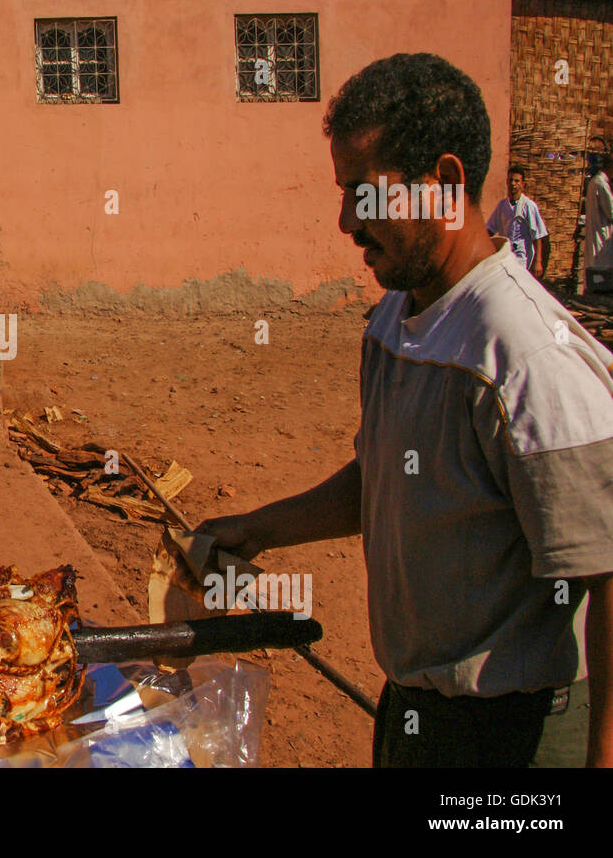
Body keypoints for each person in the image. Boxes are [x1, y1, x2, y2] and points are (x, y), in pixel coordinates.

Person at [196, 53, 613, 768]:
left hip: (517, 737)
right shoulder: (396, 321)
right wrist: (258, 528)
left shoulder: (524, 358)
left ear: (447, 184)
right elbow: (387, 474)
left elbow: (606, 570)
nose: (345, 221)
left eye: (364, 193)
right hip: (418, 714)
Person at [486, 165, 549, 279]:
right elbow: (490, 229)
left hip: (521, 256)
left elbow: (537, 235)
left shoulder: (528, 206)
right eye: (510, 180)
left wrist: (538, 261)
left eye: (516, 181)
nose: (513, 184)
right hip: (506, 254)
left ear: (522, 184)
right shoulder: (502, 206)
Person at [585, 154, 613, 295]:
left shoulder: (594, 182)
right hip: (601, 235)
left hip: (595, 233)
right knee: (602, 272)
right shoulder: (602, 184)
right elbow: (611, 213)